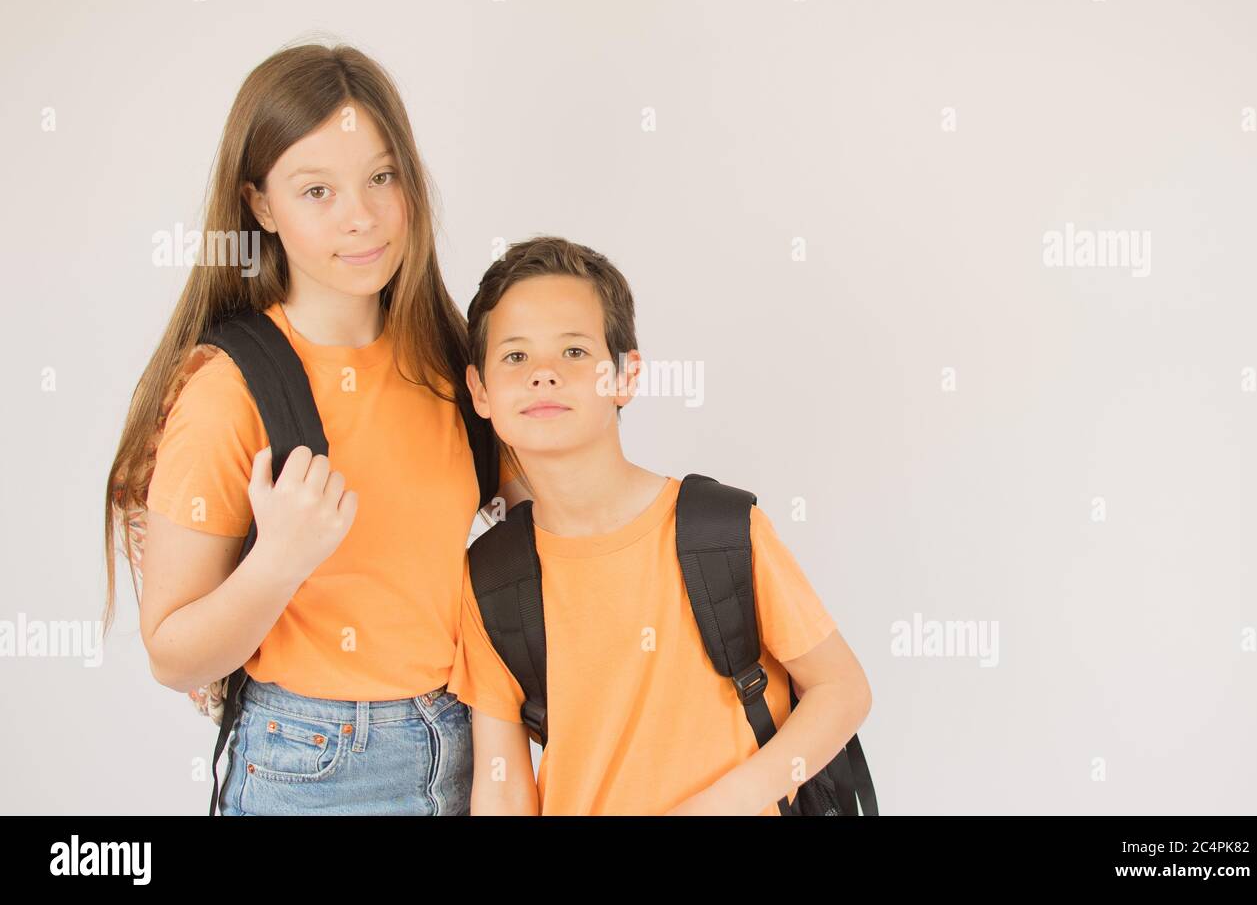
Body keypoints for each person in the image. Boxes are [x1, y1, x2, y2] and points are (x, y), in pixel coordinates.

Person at [103, 42, 523, 815]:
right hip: (312, 768)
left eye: (381, 177)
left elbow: (546, 519)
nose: (360, 216)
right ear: (261, 205)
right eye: (316, 191)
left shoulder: (451, 362)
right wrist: (279, 563)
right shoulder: (230, 390)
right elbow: (172, 652)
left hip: (464, 745)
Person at [448, 236, 872, 814]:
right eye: (516, 356)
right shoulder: (493, 575)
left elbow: (842, 689)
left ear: (625, 376)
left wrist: (724, 804)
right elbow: (501, 783)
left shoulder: (718, 529)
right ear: (480, 390)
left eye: (574, 352)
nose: (544, 374)